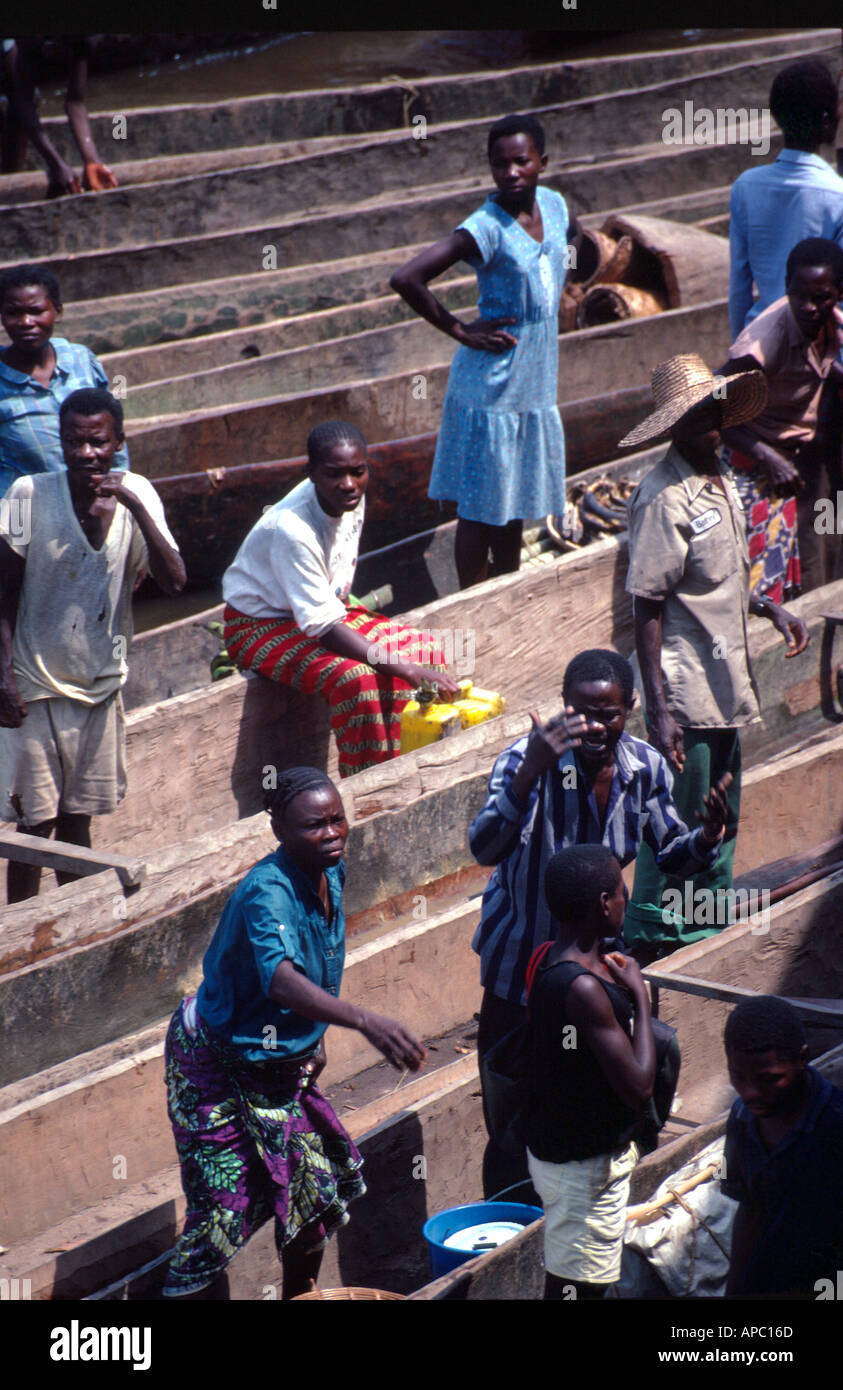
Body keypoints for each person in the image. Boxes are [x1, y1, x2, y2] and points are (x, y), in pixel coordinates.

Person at [469, 646, 731, 1202]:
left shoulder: (645, 768)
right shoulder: (525, 761)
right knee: (512, 1099)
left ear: (630, 709)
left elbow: (671, 852)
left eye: (607, 714)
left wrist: (707, 838)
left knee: (602, 1086)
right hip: (521, 961)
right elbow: (484, 848)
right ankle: (512, 1216)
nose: (593, 725)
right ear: (564, 708)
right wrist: (533, 772)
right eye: (580, 712)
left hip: (596, 964)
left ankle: (601, 1194)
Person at [163, 765, 426, 1300]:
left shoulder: (330, 873)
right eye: (314, 825)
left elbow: (318, 961)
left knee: (314, 1193)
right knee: (219, 1213)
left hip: (278, 1064)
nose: (331, 833)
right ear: (279, 830)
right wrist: (362, 1019)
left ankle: (298, 1295)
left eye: (337, 819)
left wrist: (317, 1035)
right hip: (217, 1062)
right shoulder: (268, 892)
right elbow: (281, 978)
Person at [621, 355, 810, 958]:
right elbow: (647, 604)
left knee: (720, 809)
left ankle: (704, 926)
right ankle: (656, 933)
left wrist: (769, 607)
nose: (713, 429)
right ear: (674, 426)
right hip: (685, 685)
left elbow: (718, 578)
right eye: (700, 420)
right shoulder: (662, 497)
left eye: (716, 416)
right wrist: (660, 709)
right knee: (677, 819)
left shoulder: (719, 477)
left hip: (725, 679)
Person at [0, 387, 184, 902]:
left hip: (99, 684)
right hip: (35, 684)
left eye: (98, 442)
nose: (86, 454)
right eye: (74, 442)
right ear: (60, 443)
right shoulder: (25, 495)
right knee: (35, 827)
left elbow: (174, 580)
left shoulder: (138, 494)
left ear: (118, 441)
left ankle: (72, 920)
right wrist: (4, 679)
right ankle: (21, 928)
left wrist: (132, 505)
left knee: (77, 823)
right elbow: (2, 594)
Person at [389, 114, 577, 588]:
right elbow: (407, 278)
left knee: (509, 501)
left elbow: (577, 239)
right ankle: (473, 602)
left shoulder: (554, 206)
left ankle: (505, 590)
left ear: (542, 162)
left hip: (534, 382)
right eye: (500, 165)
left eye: (521, 161)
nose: (511, 173)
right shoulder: (485, 227)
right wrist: (461, 330)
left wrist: (562, 290)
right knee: (478, 507)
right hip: (491, 384)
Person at [222, 420, 459, 778]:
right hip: (259, 625)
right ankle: (370, 783)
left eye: (358, 472)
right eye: (335, 474)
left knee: (423, 647)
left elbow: (332, 602)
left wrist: (409, 663)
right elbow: (325, 629)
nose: (349, 484)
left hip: (324, 611)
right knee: (359, 680)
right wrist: (406, 670)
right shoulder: (292, 528)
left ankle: (419, 760)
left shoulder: (350, 498)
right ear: (311, 473)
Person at [524, 845, 656, 1301]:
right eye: (621, 891)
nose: (626, 898)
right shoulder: (583, 988)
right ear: (603, 903)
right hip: (582, 1173)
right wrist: (640, 996)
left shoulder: (550, 959)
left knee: (577, 1281)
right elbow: (640, 1086)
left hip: (569, 1155)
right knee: (577, 1288)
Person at [719, 237, 843, 599]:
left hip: (807, 453)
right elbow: (711, 406)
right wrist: (767, 456)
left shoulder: (833, 324)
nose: (807, 307)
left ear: (838, 292)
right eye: (797, 295)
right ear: (786, 287)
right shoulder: (760, 344)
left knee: (827, 532)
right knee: (763, 577)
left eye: (820, 298)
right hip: (756, 458)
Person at [721, 995, 843, 1298]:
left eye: (768, 1079)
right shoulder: (740, 1118)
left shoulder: (835, 1127)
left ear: (802, 1059)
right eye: (738, 1077)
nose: (749, 1092)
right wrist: (735, 1288)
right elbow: (749, 1207)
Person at [728, 58, 843, 338]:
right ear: (826, 120)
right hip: (820, 353)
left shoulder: (745, 187)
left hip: (761, 344)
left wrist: (740, 355)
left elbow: (739, 289)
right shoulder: (838, 196)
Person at [0, 264, 129, 496]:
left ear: (57, 312)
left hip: (92, 498)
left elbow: (113, 426)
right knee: (19, 532)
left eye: (36, 311)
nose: (26, 322)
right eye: (13, 313)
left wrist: (119, 486)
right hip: (24, 506)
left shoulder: (81, 359)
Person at [0, 37, 118, 197]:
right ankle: (9, 181)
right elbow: (24, 100)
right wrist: (55, 164)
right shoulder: (31, 40)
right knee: (23, 100)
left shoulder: (80, 41)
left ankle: (9, 182)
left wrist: (92, 160)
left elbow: (75, 102)